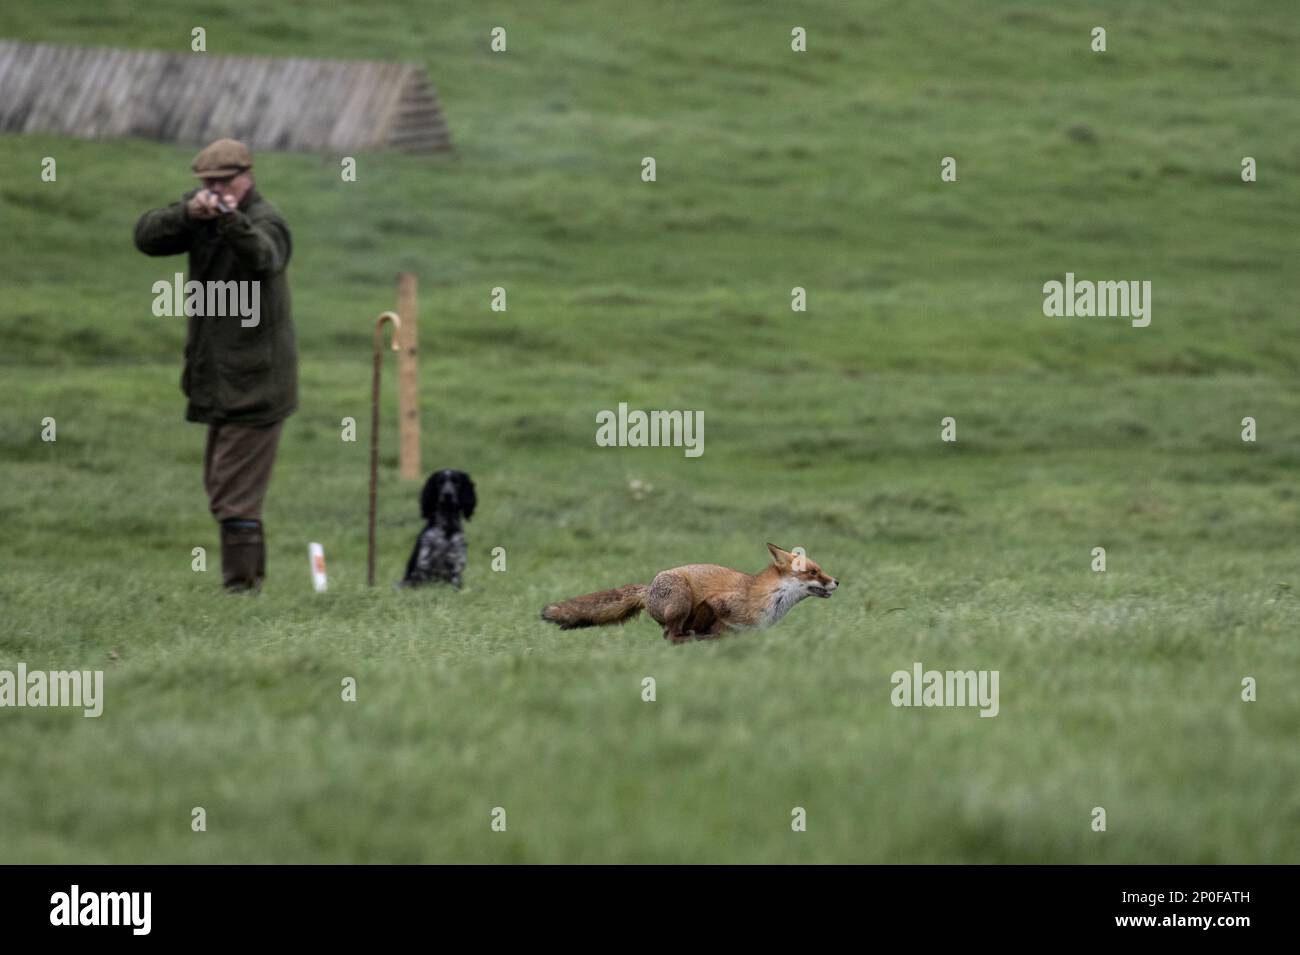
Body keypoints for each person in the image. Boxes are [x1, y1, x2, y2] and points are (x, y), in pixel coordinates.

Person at [133, 138, 297, 591]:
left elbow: (262, 257)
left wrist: (229, 221)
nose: (214, 190)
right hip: (220, 379)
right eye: (207, 184)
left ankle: (241, 592)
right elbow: (146, 236)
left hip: (257, 382)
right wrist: (190, 214)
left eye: (223, 183)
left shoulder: (268, 221)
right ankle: (250, 586)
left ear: (247, 177)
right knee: (225, 489)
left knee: (232, 494)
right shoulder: (201, 214)